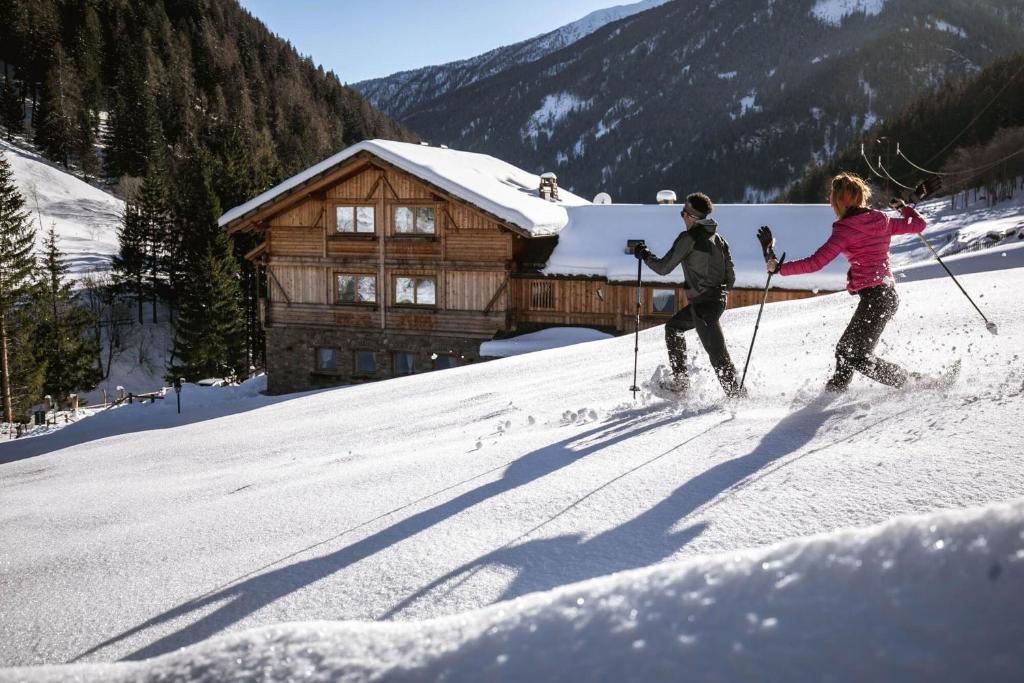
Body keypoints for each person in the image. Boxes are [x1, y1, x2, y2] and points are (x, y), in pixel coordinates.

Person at [763, 172, 926, 393]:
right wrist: (903, 208)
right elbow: (918, 224)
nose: (830, 201)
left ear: (841, 200)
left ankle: (913, 383)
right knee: (846, 350)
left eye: (832, 196)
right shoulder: (883, 220)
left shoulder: (845, 229)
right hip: (885, 296)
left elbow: (816, 262)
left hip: (876, 297)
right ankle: (835, 391)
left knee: (855, 354)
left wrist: (780, 268)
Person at [634, 192, 742, 398]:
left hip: (703, 305)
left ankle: (738, 399)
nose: (682, 215)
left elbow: (664, 267)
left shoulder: (689, 238)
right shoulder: (719, 239)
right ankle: (682, 383)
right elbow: (731, 277)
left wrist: (645, 254)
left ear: (692, 217)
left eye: (683, 212)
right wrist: (718, 294)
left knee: (718, 356)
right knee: (674, 328)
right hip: (712, 302)